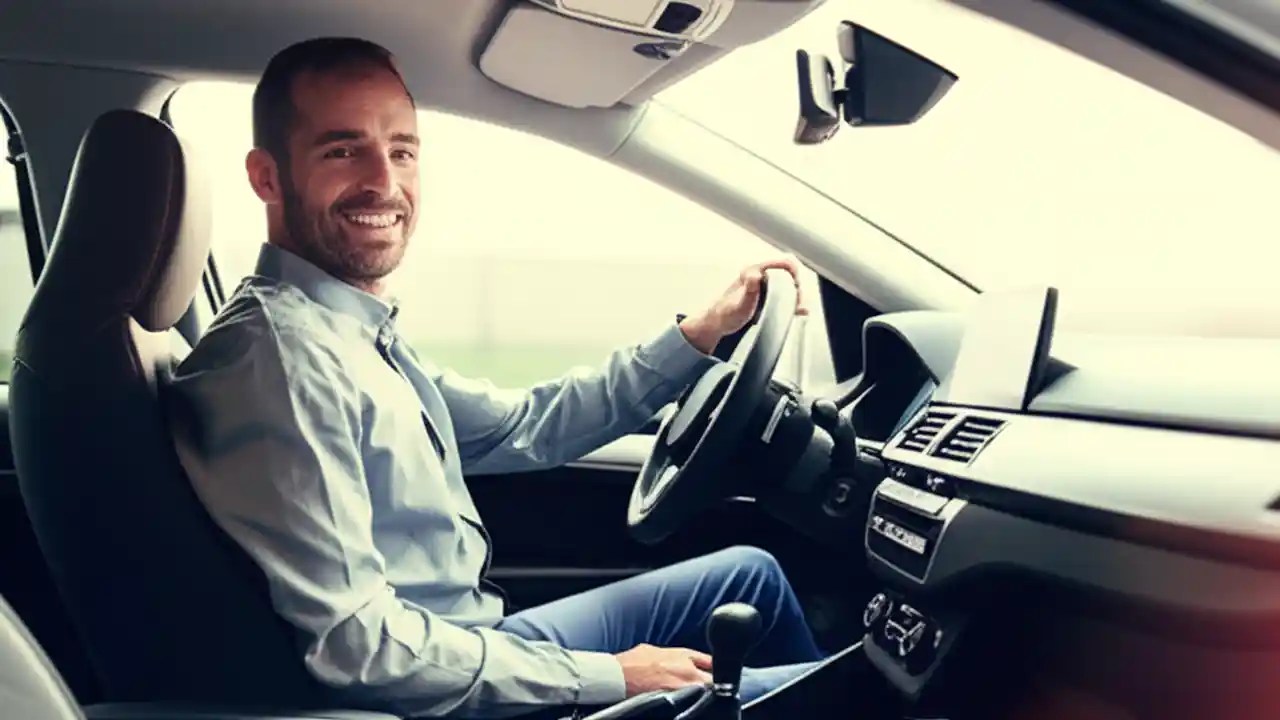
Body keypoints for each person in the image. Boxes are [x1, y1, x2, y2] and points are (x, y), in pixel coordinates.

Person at [168, 37, 827, 719]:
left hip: (467, 645)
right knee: (839, 692)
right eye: (341, 151)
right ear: (267, 178)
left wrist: (700, 337)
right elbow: (359, 648)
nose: (384, 183)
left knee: (750, 576)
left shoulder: (346, 330)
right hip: (428, 694)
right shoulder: (280, 363)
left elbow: (525, 426)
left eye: (401, 151)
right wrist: (607, 678)